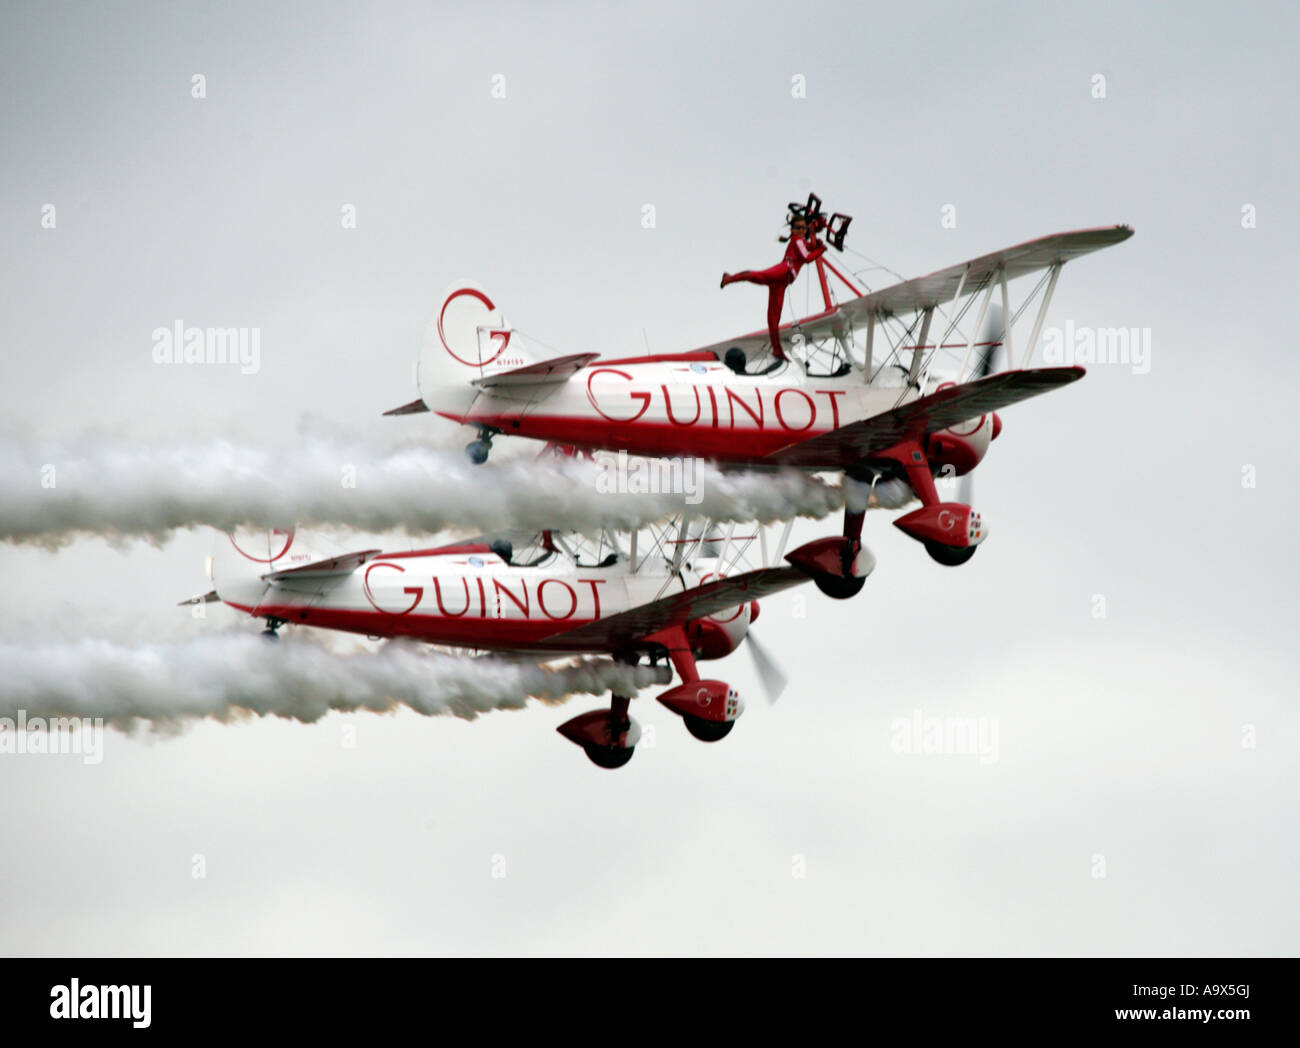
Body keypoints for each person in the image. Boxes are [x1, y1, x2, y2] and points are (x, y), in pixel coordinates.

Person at [720, 211, 827, 362]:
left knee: (773, 318)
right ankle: (729, 278)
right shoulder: (797, 240)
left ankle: (777, 350)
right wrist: (821, 249)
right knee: (758, 276)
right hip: (784, 271)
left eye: (804, 228)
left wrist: (817, 242)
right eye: (798, 228)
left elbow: (809, 247)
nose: (802, 231)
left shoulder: (801, 242)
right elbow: (807, 258)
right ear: (792, 230)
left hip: (783, 282)